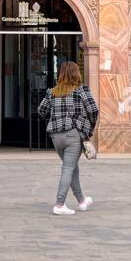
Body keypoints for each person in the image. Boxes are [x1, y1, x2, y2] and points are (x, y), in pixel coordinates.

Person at [37, 60, 99, 216]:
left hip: (56, 136)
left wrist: (54, 118)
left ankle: (82, 201)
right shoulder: (81, 91)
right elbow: (93, 109)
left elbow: (41, 110)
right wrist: (88, 126)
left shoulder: (52, 92)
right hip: (73, 134)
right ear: (76, 73)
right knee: (68, 168)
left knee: (71, 167)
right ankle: (59, 204)